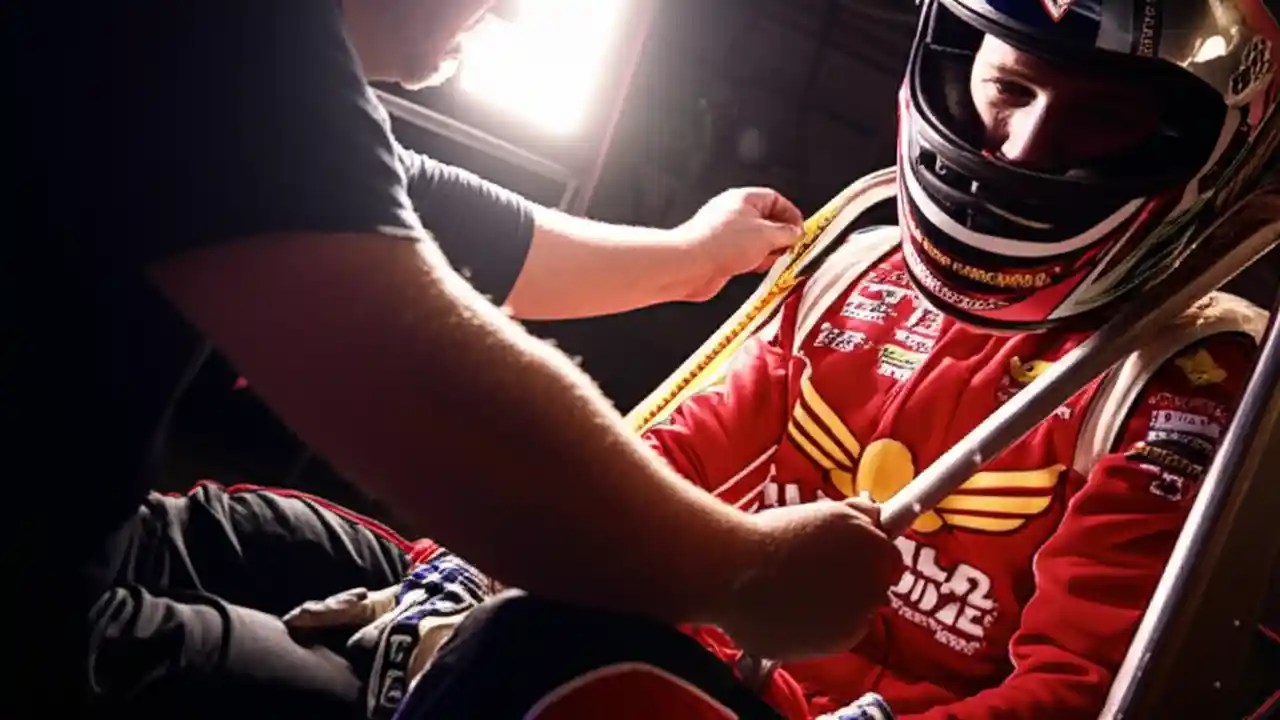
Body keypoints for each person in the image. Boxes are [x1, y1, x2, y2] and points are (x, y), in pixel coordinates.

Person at [284, 0, 1280, 718]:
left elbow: (1077, 691)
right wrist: (490, 563)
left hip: (768, 692)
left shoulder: (1190, 373)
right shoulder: (859, 254)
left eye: (1095, 117)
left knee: (526, 650)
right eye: (1007, 88)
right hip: (697, 644)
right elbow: (676, 456)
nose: (1020, 149)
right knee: (259, 540)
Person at [7, 1, 900, 718]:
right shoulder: (213, 30)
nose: (510, 11)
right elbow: (423, 388)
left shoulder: (231, 59)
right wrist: (743, 573)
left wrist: (690, 259)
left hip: (85, 532)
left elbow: (429, 218)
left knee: (315, 560)